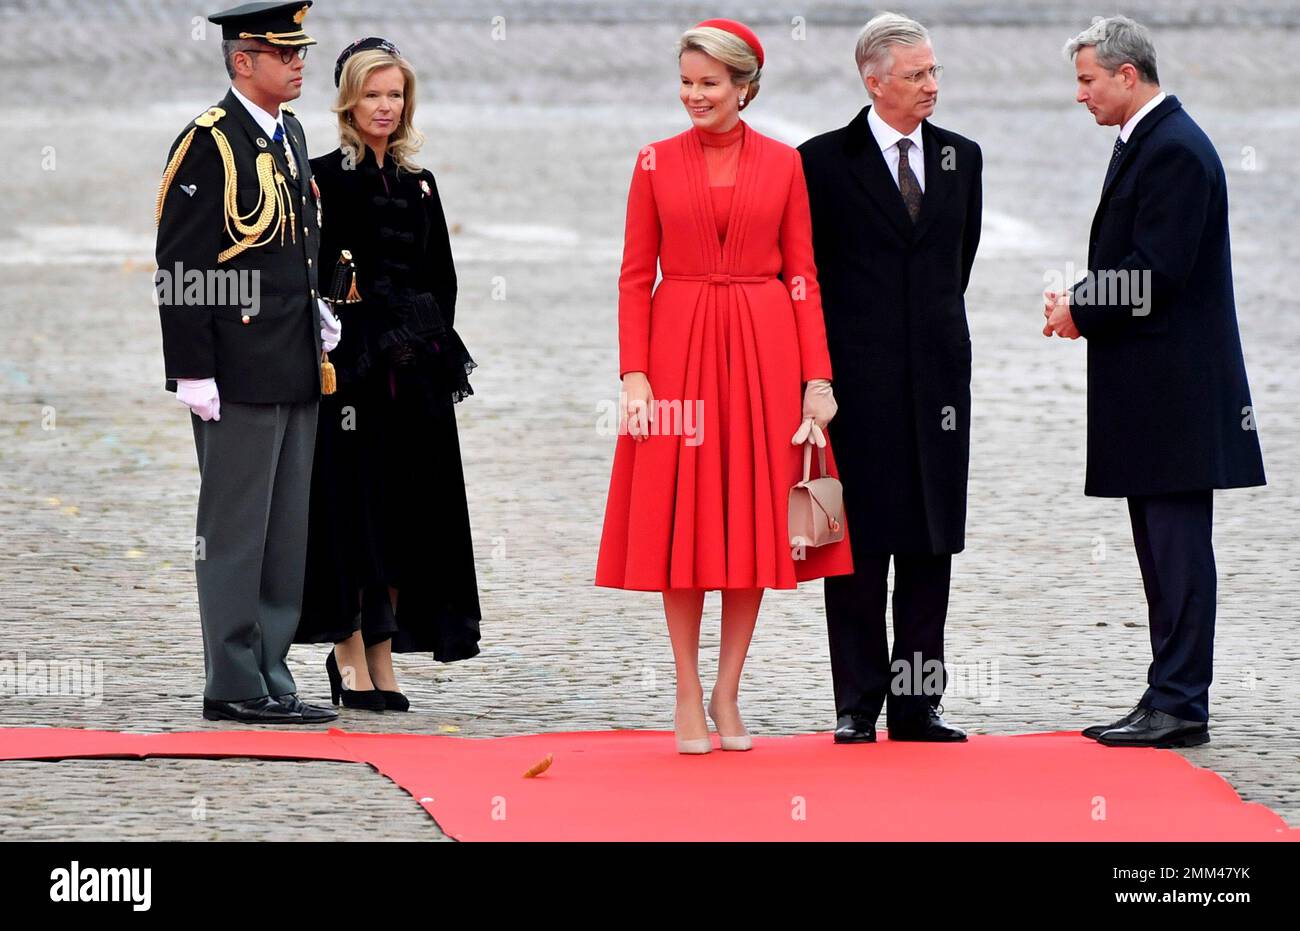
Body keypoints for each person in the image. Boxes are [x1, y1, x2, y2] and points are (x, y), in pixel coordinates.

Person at [595, 19, 854, 754]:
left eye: (709, 83)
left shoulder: (783, 165)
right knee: (683, 522)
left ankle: (727, 692)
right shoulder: (651, 162)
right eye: (686, 82)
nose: (694, 95)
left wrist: (817, 379)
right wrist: (636, 373)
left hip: (764, 352)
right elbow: (631, 274)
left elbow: (802, 276)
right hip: (676, 349)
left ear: (744, 87)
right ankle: (684, 689)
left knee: (753, 523)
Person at [1048, 16, 1265, 748]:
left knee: (1175, 548)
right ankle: (1165, 692)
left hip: (1175, 392)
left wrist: (1079, 305)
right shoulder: (1151, 137)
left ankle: (1180, 701)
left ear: (1126, 75)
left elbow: (1154, 272)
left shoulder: (1171, 147)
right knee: (1160, 547)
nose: (1080, 95)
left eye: (1087, 80)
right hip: (1157, 388)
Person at [154, 1, 341, 724]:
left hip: (293, 364)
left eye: (300, 53)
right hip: (234, 373)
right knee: (235, 533)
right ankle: (231, 680)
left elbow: (294, 245)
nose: (298, 64)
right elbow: (181, 266)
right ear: (243, 61)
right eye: (283, 54)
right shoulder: (209, 143)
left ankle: (270, 668)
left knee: (283, 532)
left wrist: (316, 309)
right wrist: (191, 370)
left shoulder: (287, 133)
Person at [799, 12, 982, 744]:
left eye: (935, 72)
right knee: (856, 546)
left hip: (938, 383)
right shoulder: (820, 162)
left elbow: (955, 267)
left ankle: (918, 703)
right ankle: (857, 701)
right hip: (854, 385)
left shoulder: (961, 158)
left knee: (931, 543)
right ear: (874, 83)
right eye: (917, 75)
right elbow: (808, 276)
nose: (933, 85)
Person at [295, 37, 482, 712]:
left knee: (405, 516)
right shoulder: (319, 176)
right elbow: (307, 278)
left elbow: (444, 279)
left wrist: (422, 344)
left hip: (414, 371)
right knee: (353, 515)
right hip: (350, 374)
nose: (384, 106)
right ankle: (348, 656)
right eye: (372, 94)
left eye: (395, 94)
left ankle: (384, 652)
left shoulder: (419, 183)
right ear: (349, 100)